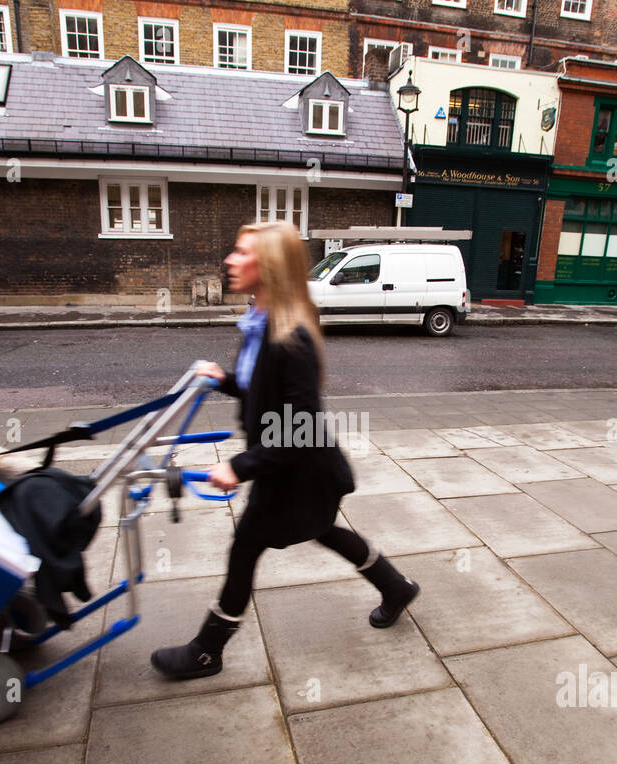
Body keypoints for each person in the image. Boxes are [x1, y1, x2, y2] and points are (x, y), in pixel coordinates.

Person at [150, 220, 421, 679]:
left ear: (269, 266)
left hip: (299, 468)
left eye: (241, 253)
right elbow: (263, 393)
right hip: (291, 469)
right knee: (323, 530)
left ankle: (206, 651)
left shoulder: (291, 338)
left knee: (246, 548)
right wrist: (226, 380)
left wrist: (240, 466)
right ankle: (396, 587)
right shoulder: (262, 323)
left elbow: (300, 423)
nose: (230, 261)